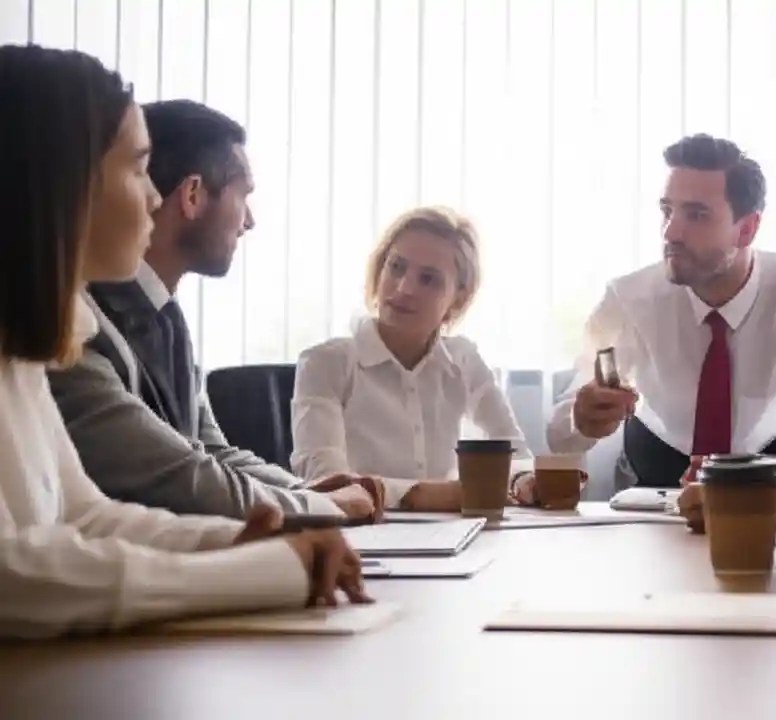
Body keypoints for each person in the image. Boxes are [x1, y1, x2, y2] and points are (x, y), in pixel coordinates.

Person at [0, 45, 368, 639]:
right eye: (136, 168)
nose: (153, 196)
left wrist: (248, 539)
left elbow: (83, 514)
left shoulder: (23, 355)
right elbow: (10, 577)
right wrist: (260, 571)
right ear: (61, 181)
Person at [48, 99, 380, 521]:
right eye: (244, 196)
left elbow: (209, 452)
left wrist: (302, 490)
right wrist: (318, 506)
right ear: (192, 195)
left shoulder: (166, 318)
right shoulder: (70, 325)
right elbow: (180, 475)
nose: (250, 221)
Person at [545, 134, 776, 490]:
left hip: (766, 497)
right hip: (653, 496)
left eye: (696, 215)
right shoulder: (627, 302)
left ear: (746, 229)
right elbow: (561, 435)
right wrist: (582, 420)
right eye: (667, 211)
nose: (671, 233)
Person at [292, 206, 534, 509]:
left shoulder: (464, 359)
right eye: (396, 267)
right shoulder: (325, 363)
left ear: (458, 297)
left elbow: (518, 454)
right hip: (358, 540)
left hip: (449, 536)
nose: (404, 288)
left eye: (429, 279)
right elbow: (326, 483)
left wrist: (523, 482)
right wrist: (429, 495)